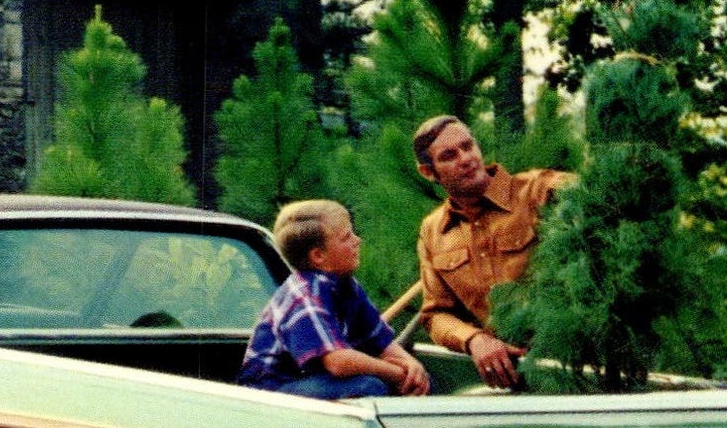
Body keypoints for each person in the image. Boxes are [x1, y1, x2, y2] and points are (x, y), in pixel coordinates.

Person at [413, 114, 574, 389]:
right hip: (508, 375)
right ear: (428, 172)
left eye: (468, 146)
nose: (466, 158)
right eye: (449, 155)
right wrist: (475, 339)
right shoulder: (433, 232)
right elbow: (435, 314)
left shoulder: (537, 191)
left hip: (573, 360)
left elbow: (601, 189)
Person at [239, 200, 431, 400]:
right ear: (318, 256)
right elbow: (338, 363)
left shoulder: (346, 285)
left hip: (316, 382)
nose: (357, 241)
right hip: (270, 394)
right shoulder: (304, 296)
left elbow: (380, 341)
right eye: (347, 237)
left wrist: (411, 366)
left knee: (421, 383)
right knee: (369, 386)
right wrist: (398, 374)